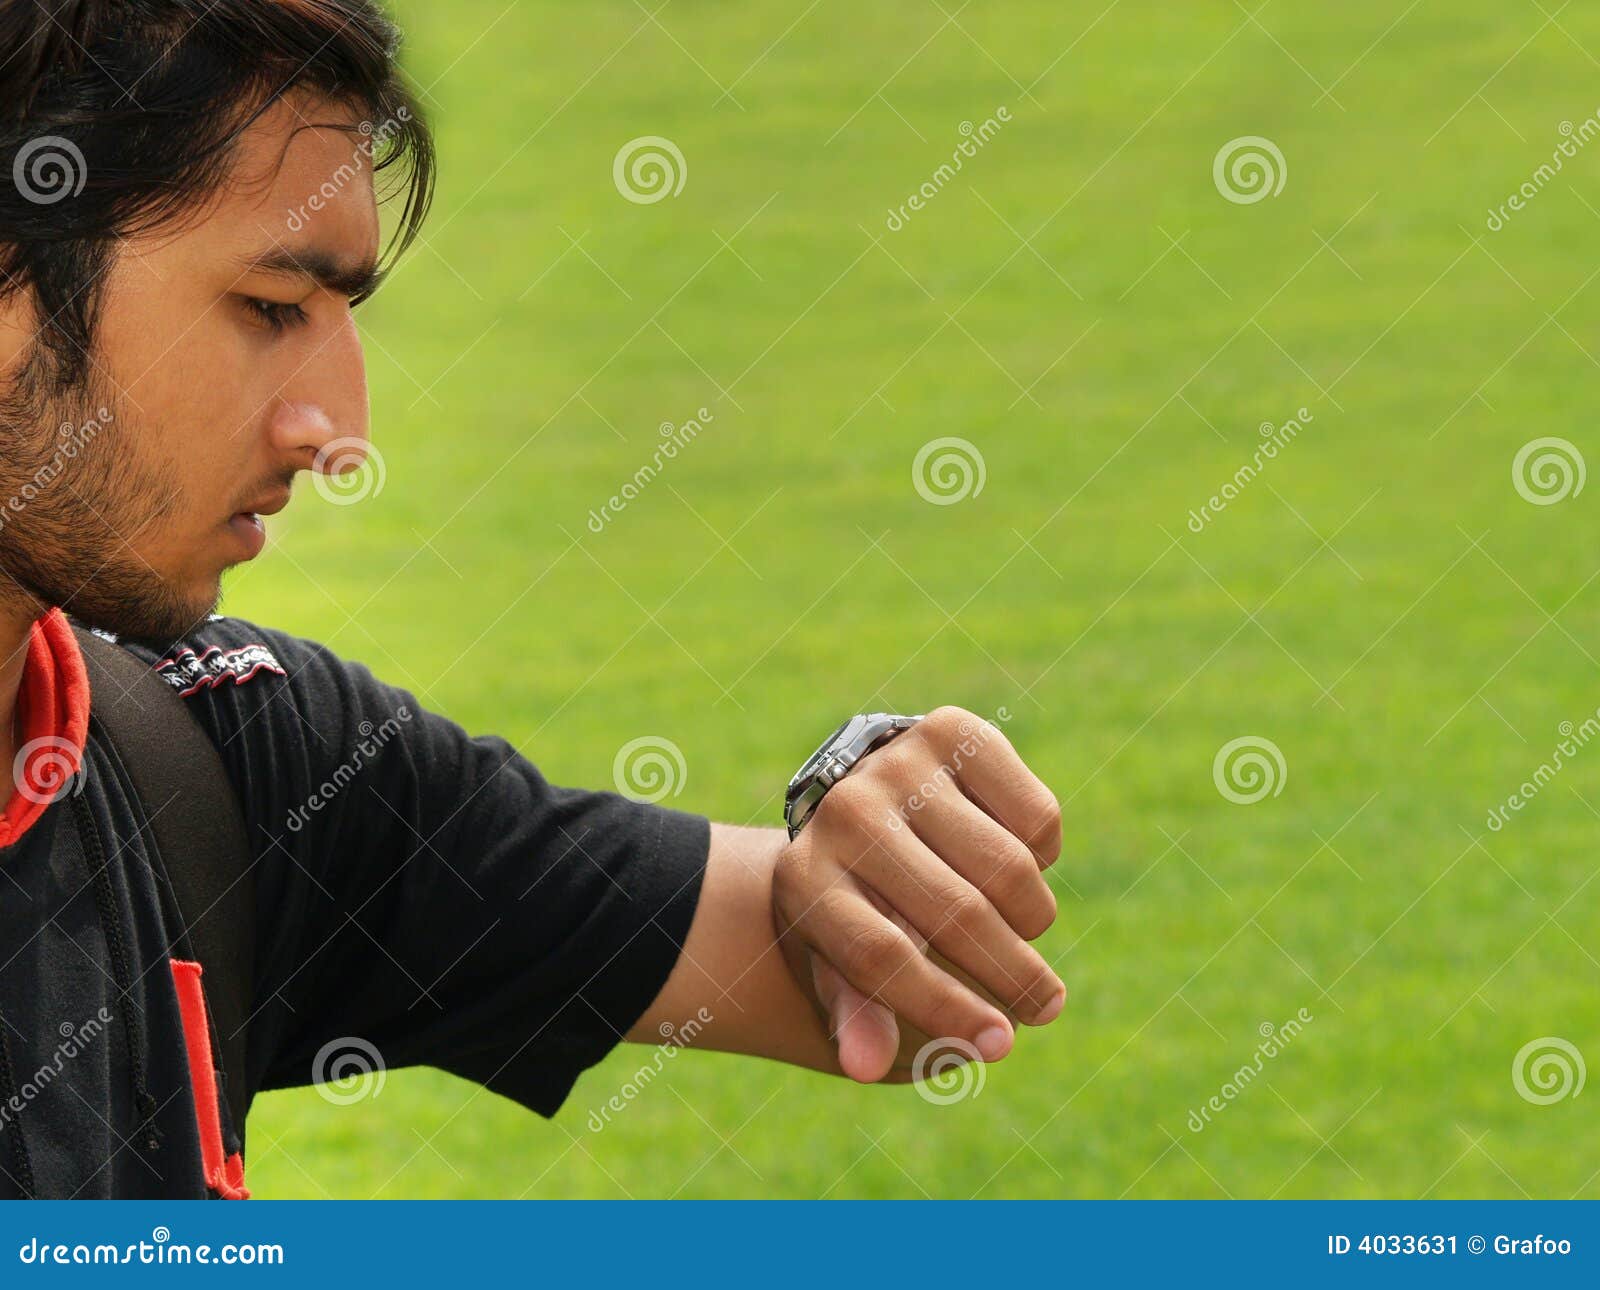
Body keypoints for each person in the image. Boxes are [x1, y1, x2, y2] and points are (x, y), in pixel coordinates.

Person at [0, 0, 1065, 1199]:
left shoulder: (222, 755)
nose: (339, 432)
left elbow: (862, 987)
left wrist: (864, 821)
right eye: (267, 307)